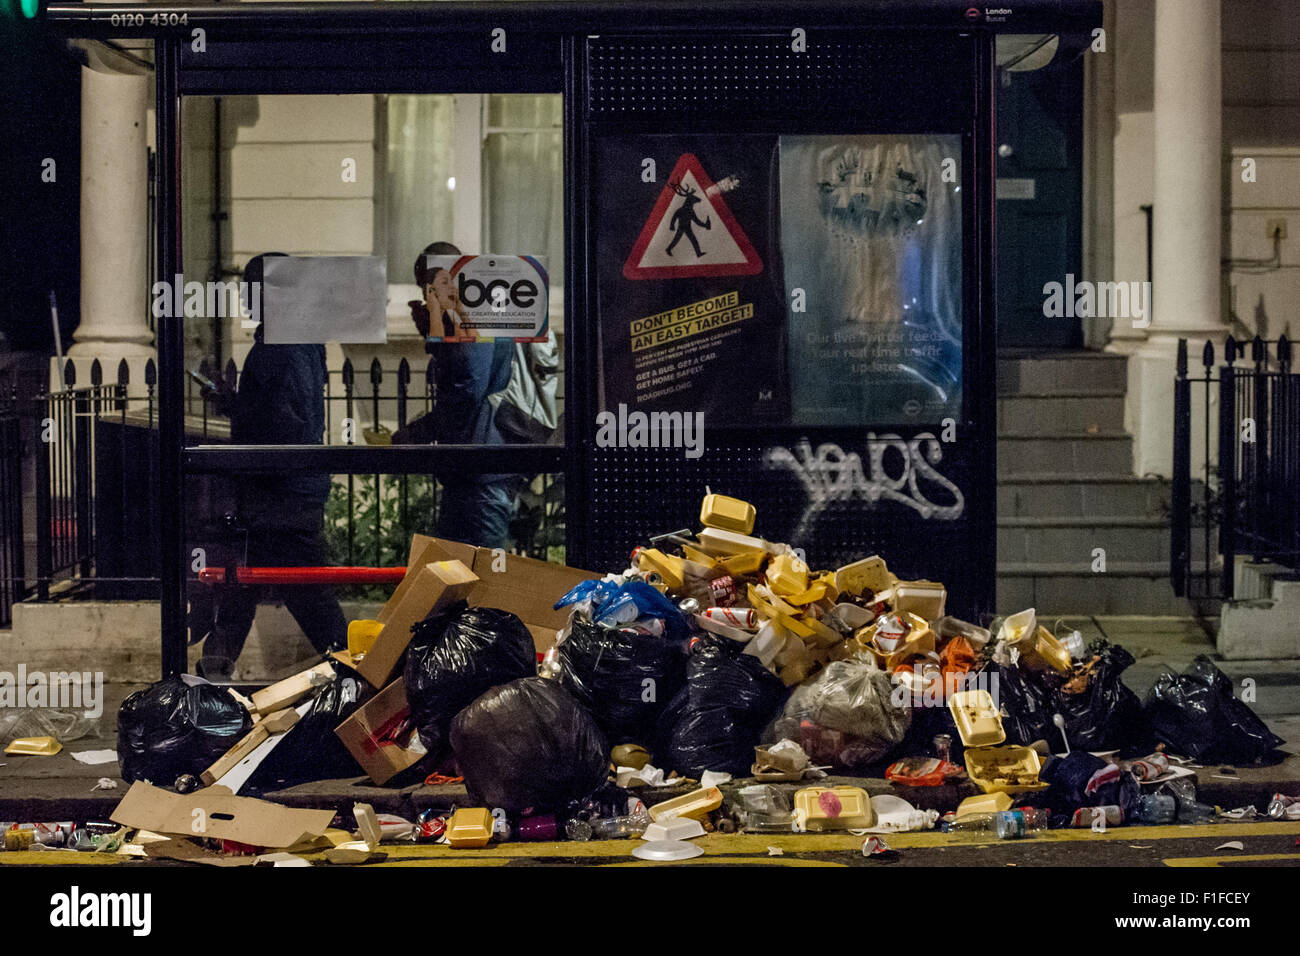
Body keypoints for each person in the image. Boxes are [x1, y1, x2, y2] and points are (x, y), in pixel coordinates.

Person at [198, 252, 347, 680]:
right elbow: (282, 414)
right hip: (280, 497)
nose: (244, 298)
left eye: (251, 287)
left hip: (280, 499)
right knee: (238, 596)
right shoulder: (296, 343)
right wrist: (235, 404)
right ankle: (209, 683)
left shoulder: (277, 349)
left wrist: (243, 416)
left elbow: (286, 425)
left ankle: (361, 682)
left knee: (311, 603)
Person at [400, 241, 525, 549]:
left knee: (486, 576)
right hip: (471, 467)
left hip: (481, 469)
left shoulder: (475, 318)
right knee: (455, 571)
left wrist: (418, 431)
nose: (428, 296)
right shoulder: (462, 319)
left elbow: (467, 391)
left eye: (433, 285)